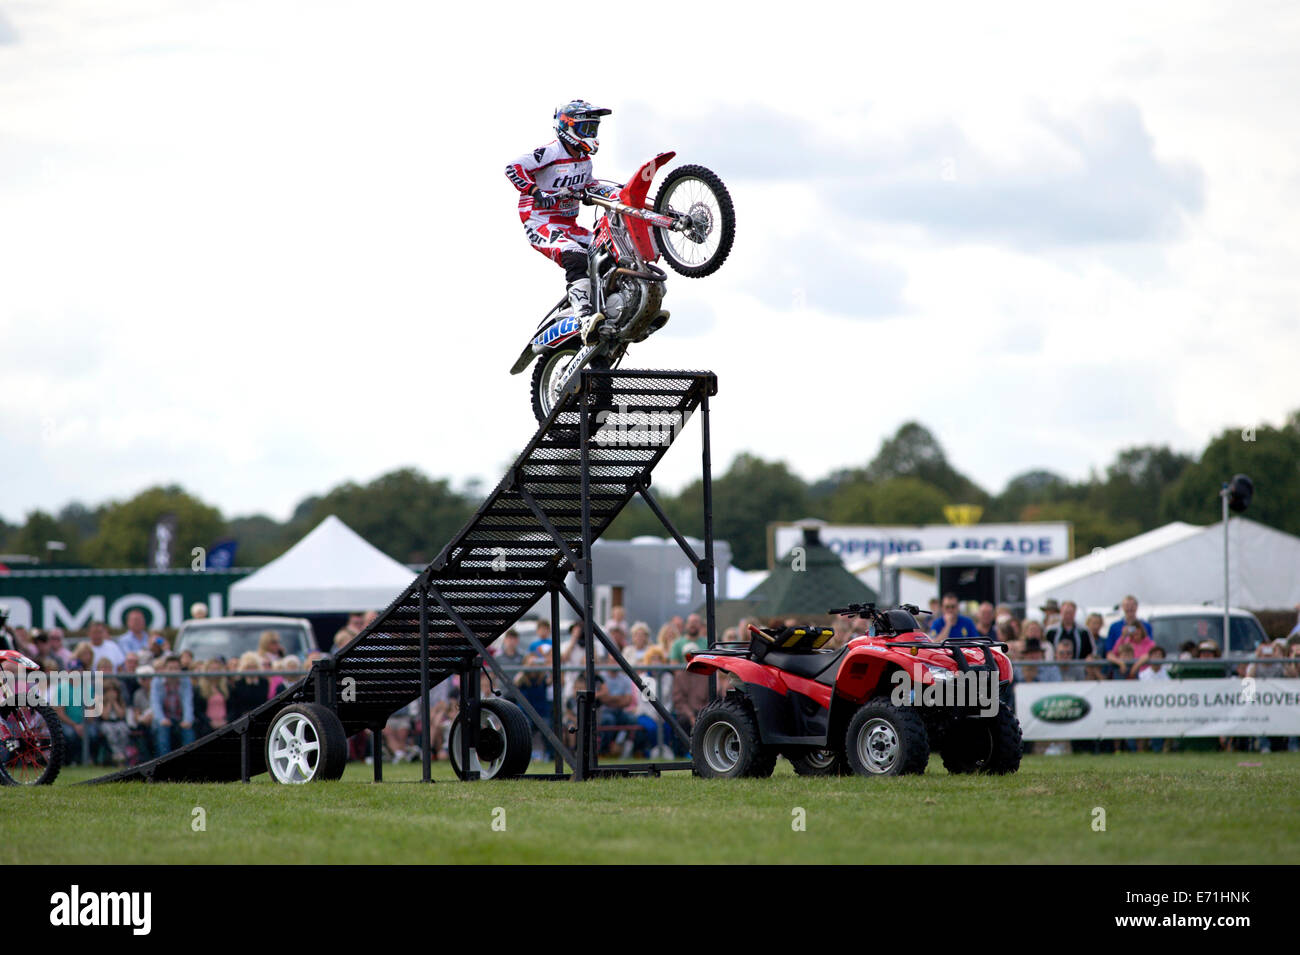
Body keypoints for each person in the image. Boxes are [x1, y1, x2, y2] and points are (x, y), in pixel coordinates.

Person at [504, 100, 614, 345]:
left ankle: (614, 311)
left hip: (569, 226)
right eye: (586, 129)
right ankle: (584, 317)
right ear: (568, 127)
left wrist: (611, 193)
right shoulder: (551, 152)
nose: (591, 135)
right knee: (575, 255)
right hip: (540, 223)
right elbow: (513, 167)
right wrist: (535, 191)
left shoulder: (585, 161)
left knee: (608, 250)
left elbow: (589, 185)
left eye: (593, 130)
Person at [150, 654, 195, 756]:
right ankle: (162, 761)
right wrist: (161, 719)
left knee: (188, 731)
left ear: (180, 669)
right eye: (170, 668)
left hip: (179, 717)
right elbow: (155, 703)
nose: (173, 671)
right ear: (165, 669)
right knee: (162, 732)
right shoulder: (157, 682)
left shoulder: (185, 681)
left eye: (176, 668)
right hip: (163, 718)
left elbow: (188, 702)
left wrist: (187, 720)